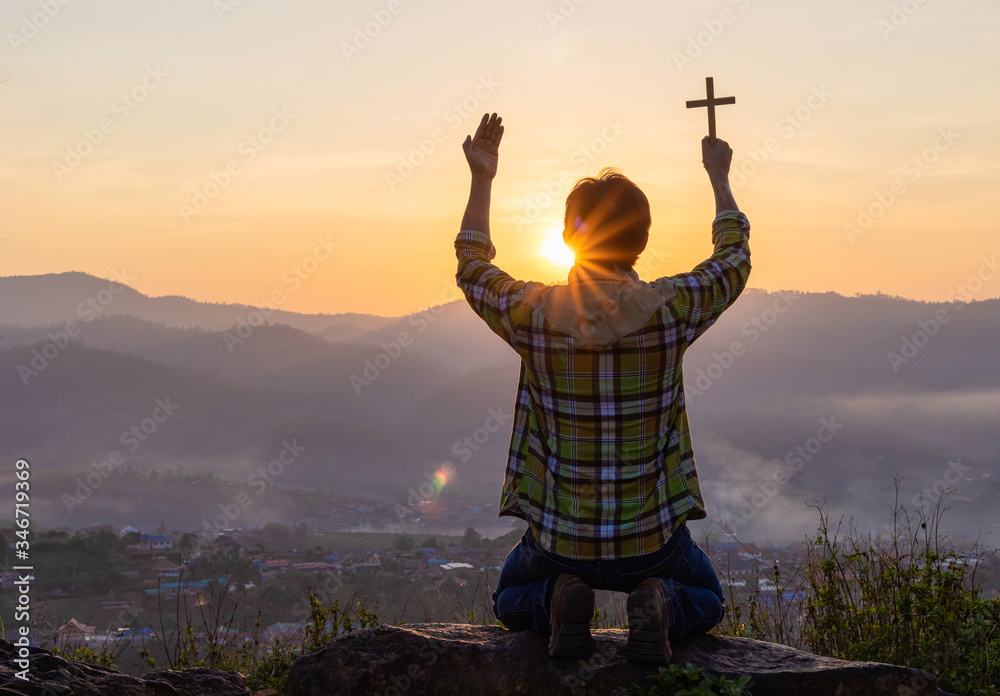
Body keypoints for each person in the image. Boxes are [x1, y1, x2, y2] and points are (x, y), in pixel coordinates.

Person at [455, 112, 750, 662]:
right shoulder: (672, 310)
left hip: (560, 542)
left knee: (509, 598)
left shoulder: (532, 314)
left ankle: (558, 599)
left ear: (568, 236)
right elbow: (734, 258)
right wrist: (718, 175)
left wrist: (482, 178)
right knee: (707, 598)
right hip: (649, 544)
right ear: (642, 240)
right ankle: (660, 599)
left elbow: (471, 264)